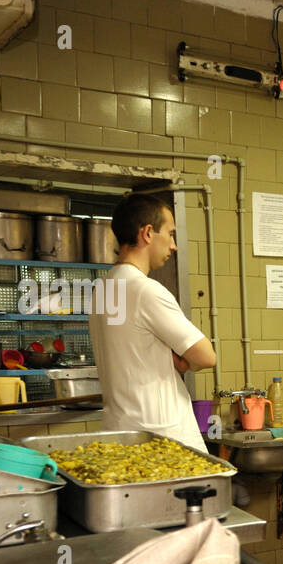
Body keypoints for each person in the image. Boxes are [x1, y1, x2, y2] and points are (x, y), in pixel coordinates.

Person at [88, 193, 216, 453]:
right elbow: (206, 357)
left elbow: (136, 348)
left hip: (119, 436)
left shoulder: (102, 290)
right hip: (162, 442)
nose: (174, 246)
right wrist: (185, 361)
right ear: (147, 233)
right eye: (170, 234)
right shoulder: (145, 290)